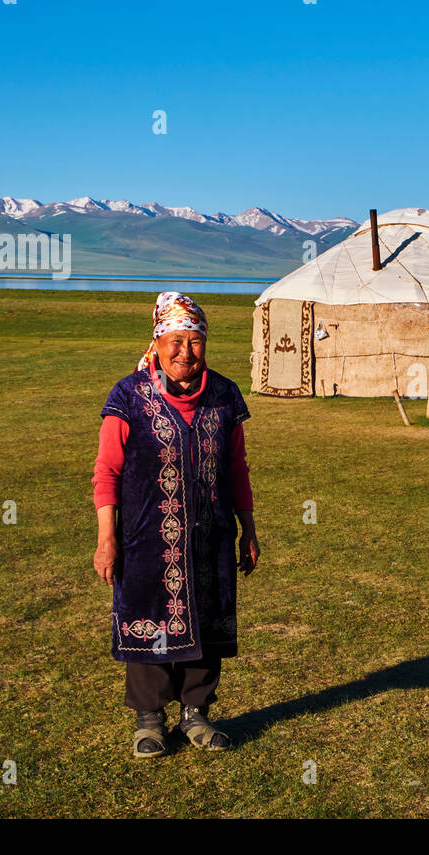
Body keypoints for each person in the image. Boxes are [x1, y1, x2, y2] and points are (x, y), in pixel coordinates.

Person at [91, 292, 260, 758]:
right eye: (176, 340)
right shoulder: (128, 396)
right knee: (149, 620)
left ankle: (196, 715)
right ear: (158, 341)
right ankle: (149, 721)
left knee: (205, 620)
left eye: (195, 341)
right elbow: (107, 471)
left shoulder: (225, 395)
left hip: (211, 535)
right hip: (147, 538)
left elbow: (237, 468)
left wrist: (249, 527)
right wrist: (107, 540)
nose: (186, 352)